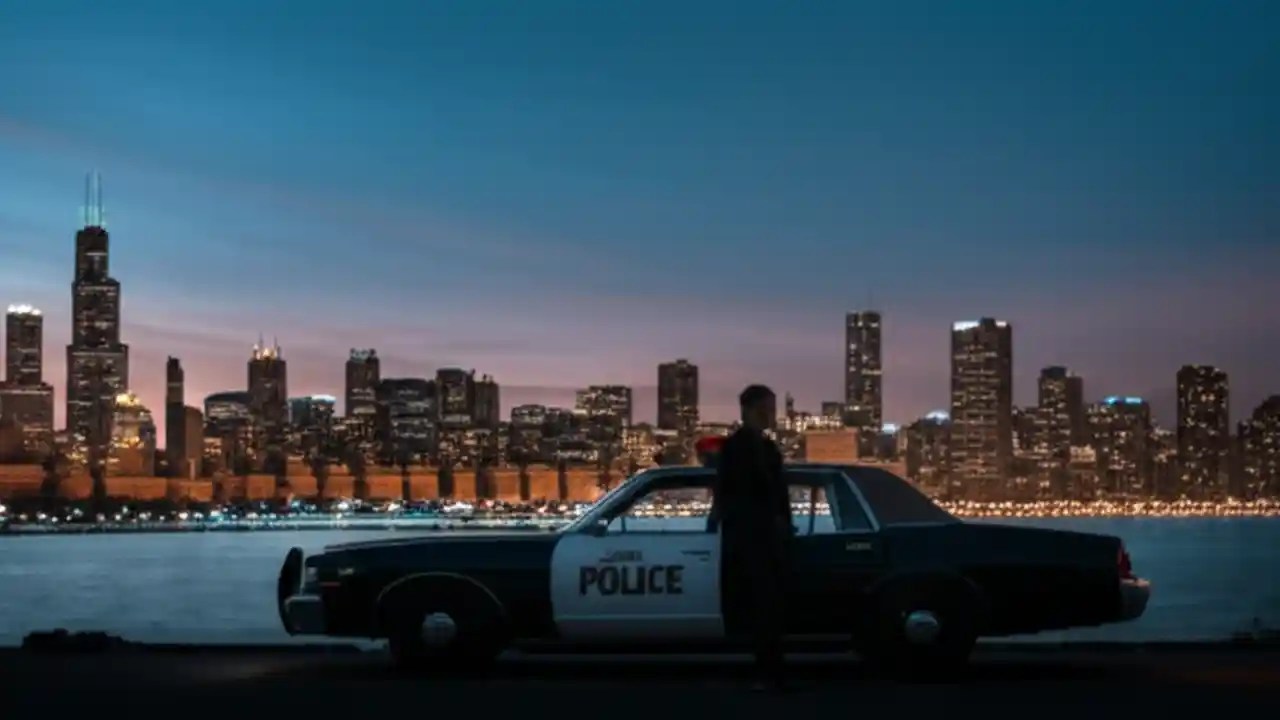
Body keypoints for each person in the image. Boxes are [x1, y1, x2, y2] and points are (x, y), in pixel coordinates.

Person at [710, 384, 791, 691]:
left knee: (769, 610)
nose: (770, 415)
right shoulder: (735, 448)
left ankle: (771, 673)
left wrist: (782, 525)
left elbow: (777, 494)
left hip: (766, 539)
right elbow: (727, 494)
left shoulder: (766, 448)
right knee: (763, 610)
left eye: (771, 409)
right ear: (746, 410)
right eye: (764, 409)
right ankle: (769, 673)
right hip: (750, 539)